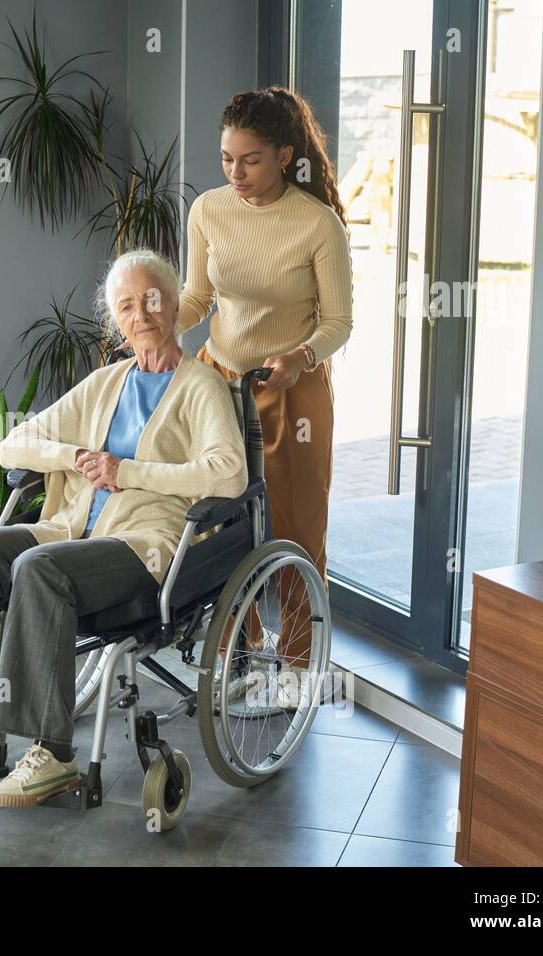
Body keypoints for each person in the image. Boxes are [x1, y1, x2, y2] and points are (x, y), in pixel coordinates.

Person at [0, 249, 248, 807]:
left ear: (173, 306)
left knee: (37, 569)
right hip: (69, 532)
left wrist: (128, 471)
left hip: (140, 544)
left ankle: (53, 753)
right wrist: (73, 454)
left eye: (151, 298)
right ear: (115, 322)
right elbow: (11, 445)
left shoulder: (200, 387)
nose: (140, 313)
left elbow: (229, 473)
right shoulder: (104, 383)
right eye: (126, 305)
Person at [176, 86, 352, 677]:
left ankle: (301, 667)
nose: (236, 173)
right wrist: (155, 323)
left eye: (249, 159)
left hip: (292, 387)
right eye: (226, 159)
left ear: (283, 153)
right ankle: (237, 657)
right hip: (219, 379)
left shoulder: (316, 223)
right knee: (218, 523)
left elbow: (338, 323)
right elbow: (198, 296)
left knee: (298, 529)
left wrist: (301, 357)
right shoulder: (209, 209)